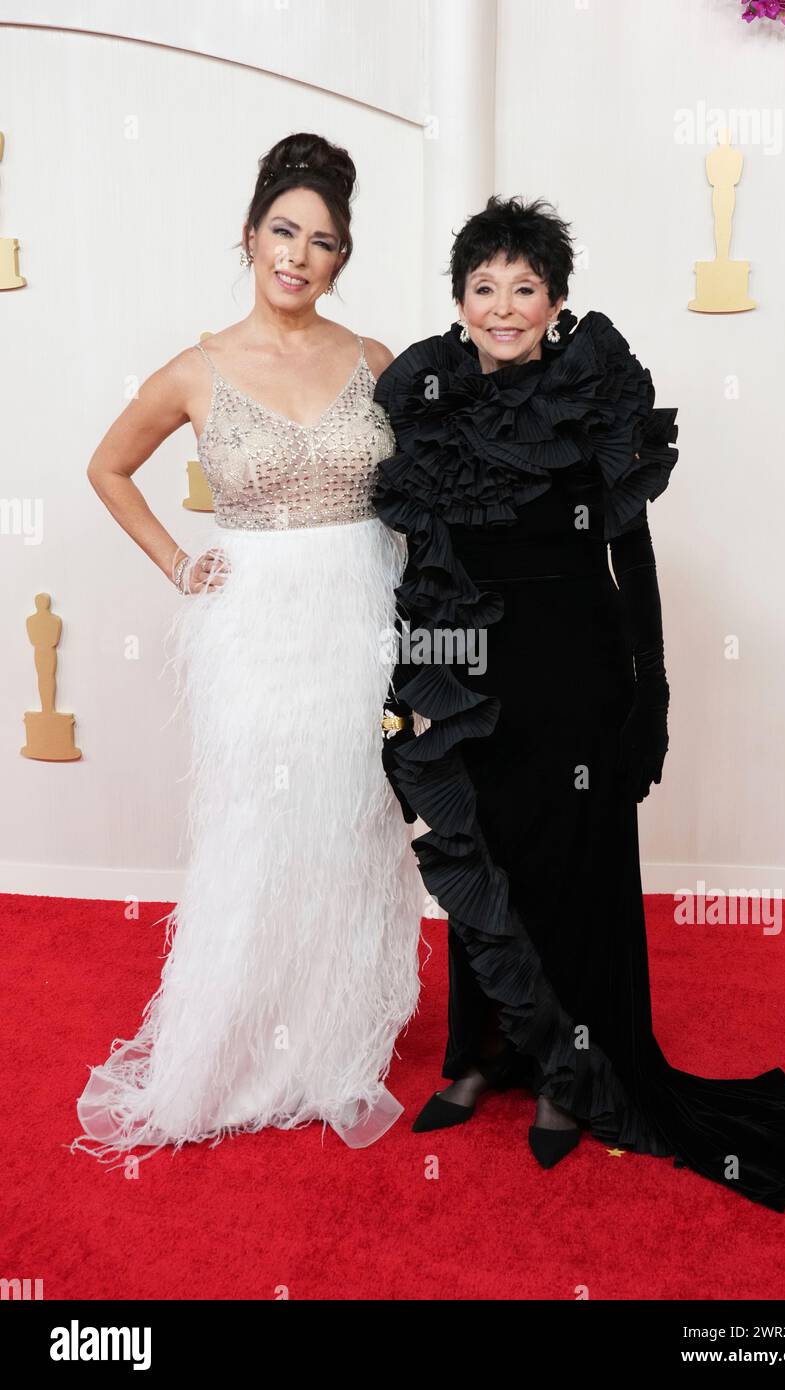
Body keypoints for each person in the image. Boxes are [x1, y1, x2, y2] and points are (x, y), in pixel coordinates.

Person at [371, 194, 785, 1211]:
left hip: (577, 669)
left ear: (554, 300)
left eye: (525, 288)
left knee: (571, 876)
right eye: (484, 286)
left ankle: (565, 1076)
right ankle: (479, 1054)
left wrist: (650, 692)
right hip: (474, 673)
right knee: (482, 862)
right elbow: (425, 562)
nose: (503, 306)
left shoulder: (594, 394)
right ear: (458, 297)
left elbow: (627, 553)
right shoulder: (428, 397)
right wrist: (416, 679)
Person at [69, 132, 424, 1168]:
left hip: (362, 616)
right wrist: (181, 566)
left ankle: (326, 1047)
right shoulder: (193, 369)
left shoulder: (377, 363)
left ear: (338, 258)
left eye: (321, 241)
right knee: (258, 827)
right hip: (256, 630)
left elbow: (434, 488)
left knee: (350, 826)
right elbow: (107, 467)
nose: (298, 255)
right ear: (249, 235)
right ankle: (227, 1055)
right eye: (283, 230)